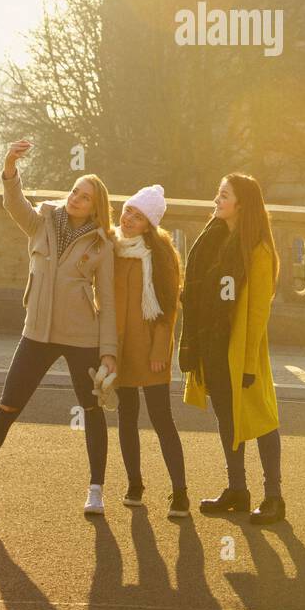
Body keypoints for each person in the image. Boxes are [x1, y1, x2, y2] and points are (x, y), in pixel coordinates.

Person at [0, 139, 117, 516]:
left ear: (96, 206)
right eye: (75, 190)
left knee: (92, 409)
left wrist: (108, 353)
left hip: (81, 337)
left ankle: (96, 490)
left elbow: (106, 303)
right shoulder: (42, 219)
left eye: (85, 197)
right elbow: (14, 203)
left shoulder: (102, 243)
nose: (76, 198)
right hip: (36, 334)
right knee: (8, 404)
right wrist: (10, 164)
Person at [179, 172, 285, 524]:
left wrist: (251, 363)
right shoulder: (215, 239)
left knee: (262, 419)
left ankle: (274, 496)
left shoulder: (258, 249)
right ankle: (237, 489)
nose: (216, 200)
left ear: (241, 203)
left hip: (242, 349)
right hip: (215, 343)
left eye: (223, 195)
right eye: (218, 193)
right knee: (227, 416)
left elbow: (257, 312)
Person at [111, 184, 189, 518]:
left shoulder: (160, 254)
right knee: (126, 418)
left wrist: (161, 351)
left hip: (151, 350)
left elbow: (169, 308)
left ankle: (180, 492)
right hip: (121, 347)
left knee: (162, 420)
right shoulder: (111, 246)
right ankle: (134, 484)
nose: (129, 218)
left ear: (149, 224)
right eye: (128, 210)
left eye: (138, 216)